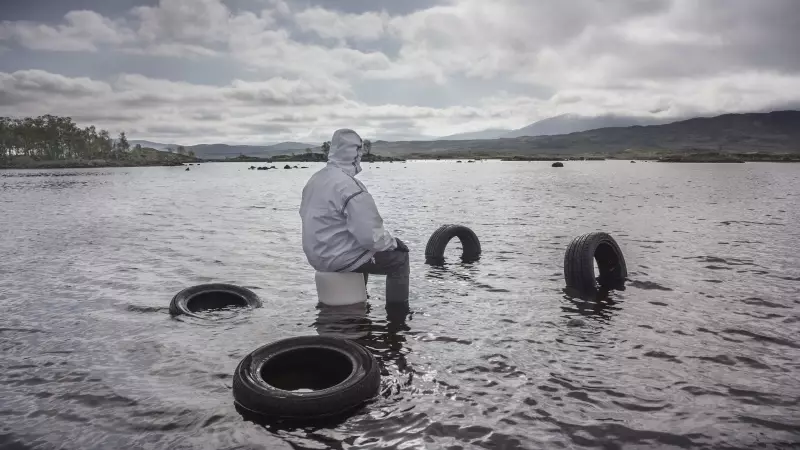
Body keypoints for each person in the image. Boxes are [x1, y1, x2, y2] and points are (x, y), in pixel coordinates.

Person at [299, 129, 410, 304]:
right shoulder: (350, 186)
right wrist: (394, 243)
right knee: (399, 259)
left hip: (316, 255)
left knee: (362, 252)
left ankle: (359, 308)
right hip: (337, 258)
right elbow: (371, 237)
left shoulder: (315, 180)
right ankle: (397, 319)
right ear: (356, 153)